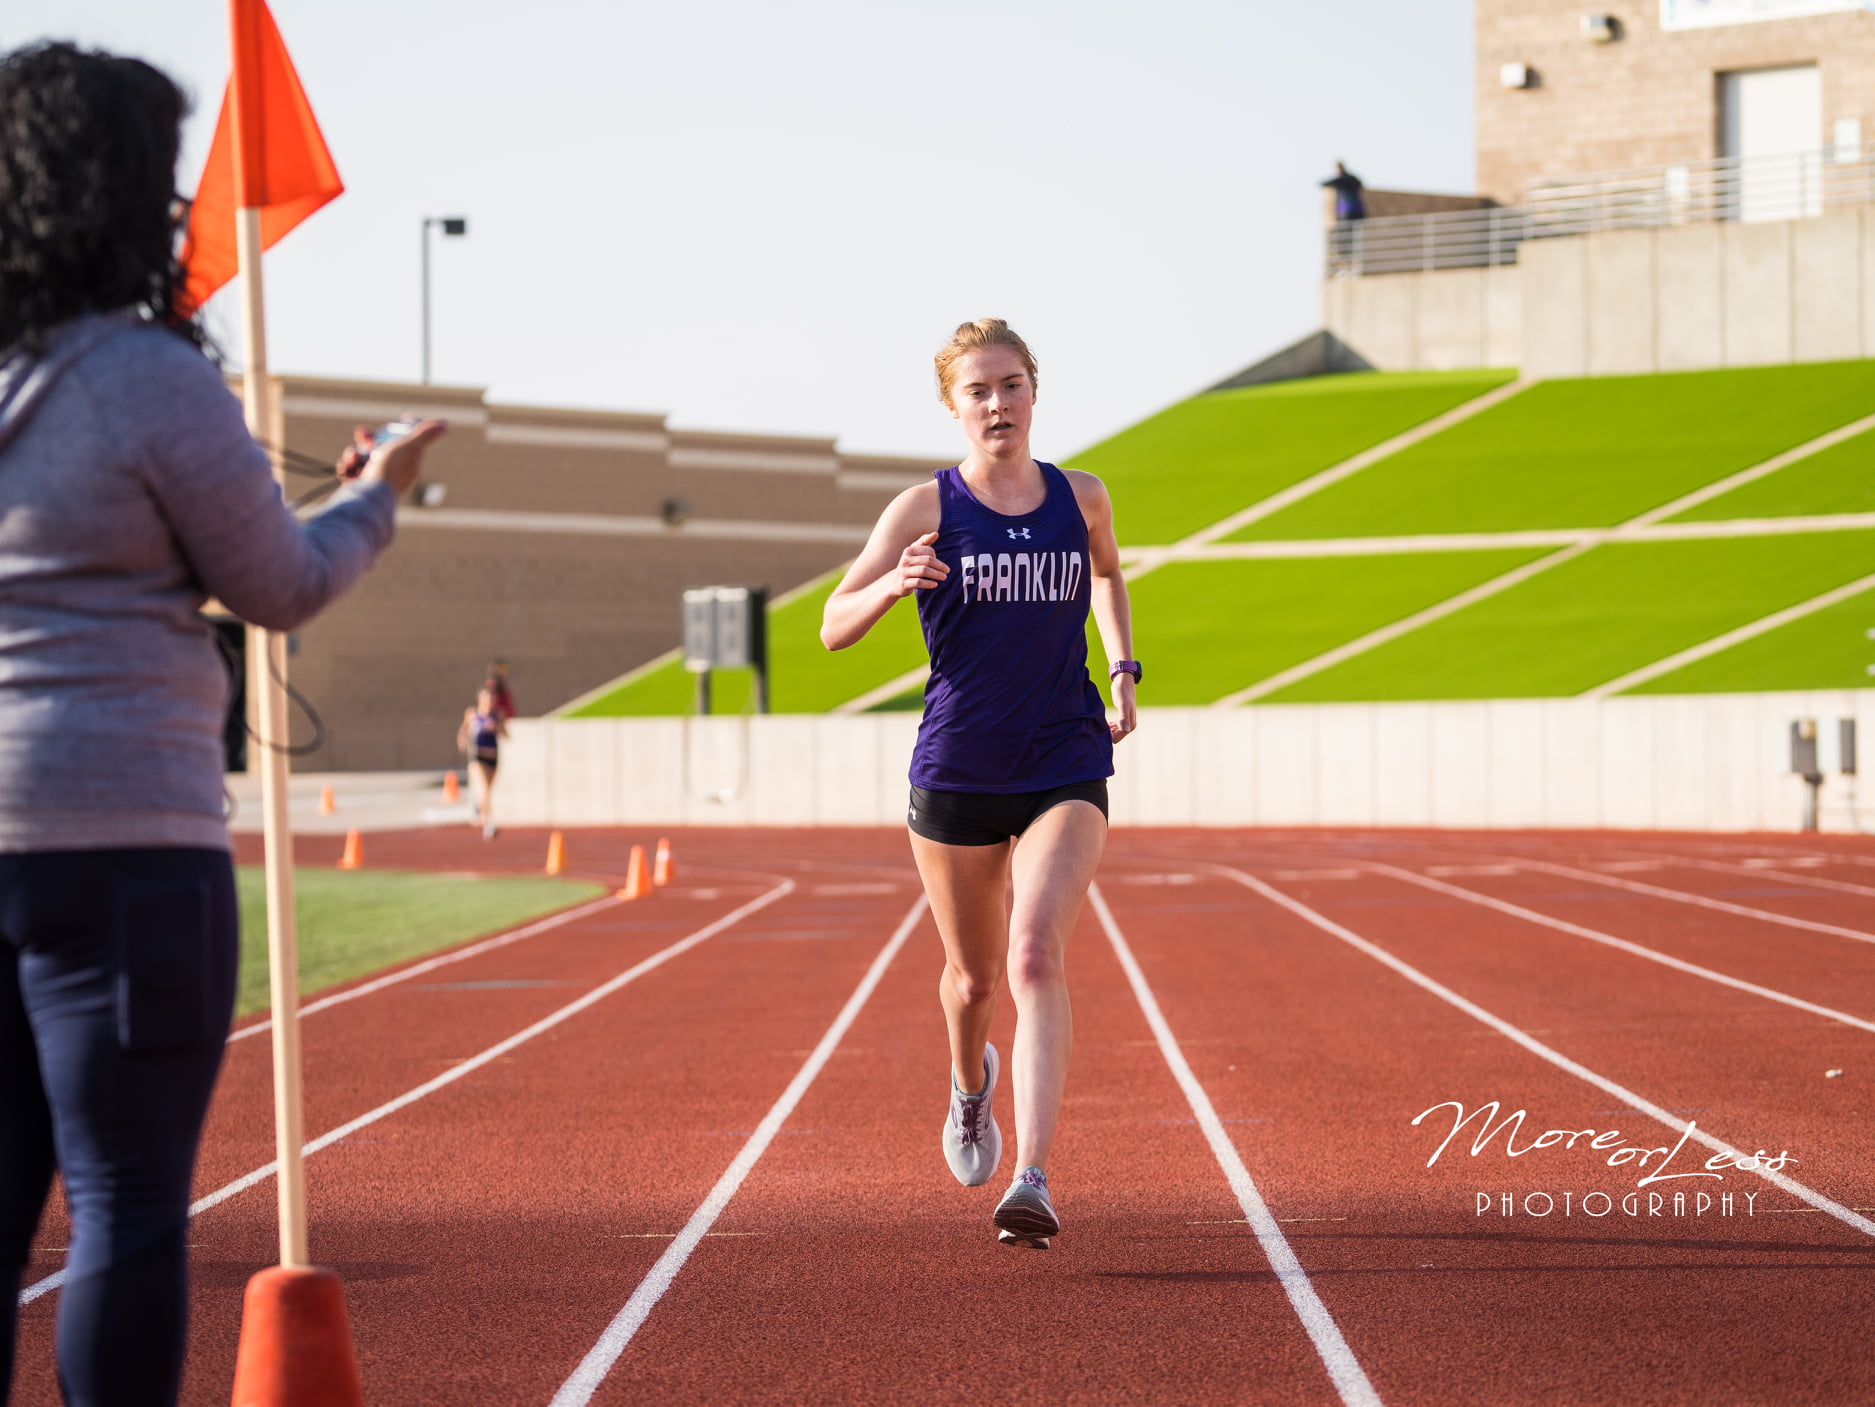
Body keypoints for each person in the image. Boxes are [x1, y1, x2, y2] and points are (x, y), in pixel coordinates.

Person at [0, 43, 444, 1406]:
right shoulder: (145, 376)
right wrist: (374, 490)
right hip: (130, 844)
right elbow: (276, 583)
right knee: (127, 1203)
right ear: (128, 195)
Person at [821, 318, 1139, 1249]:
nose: (996, 403)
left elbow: (1108, 576)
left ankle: (1033, 1176)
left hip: (1064, 758)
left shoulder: (1081, 498)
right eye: (977, 390)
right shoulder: (922, 508)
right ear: (952, 406)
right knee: (970, 979)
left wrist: (1122, 666)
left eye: (1010, 384)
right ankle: (970, 1090)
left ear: (1034, 391)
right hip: (959, 766)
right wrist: (891, 586)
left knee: (1035, 953)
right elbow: (833, 624)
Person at [457, 684, 507, 840]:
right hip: (477, 757)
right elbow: (464, 729)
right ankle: (489, 825)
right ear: (480, 699)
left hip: (493, 757)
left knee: (487, 792)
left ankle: (477, 803)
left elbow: (505, 734)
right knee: (484, 788)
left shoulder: (498, 715)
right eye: (487, 698)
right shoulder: (472, 714)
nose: (490, 701)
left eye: (492, 698)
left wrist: (497, 728)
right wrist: (462, 739)